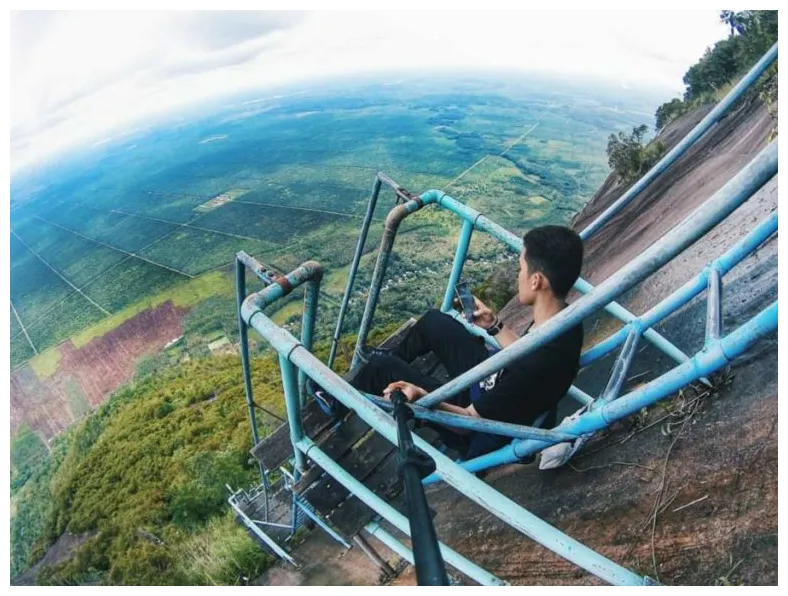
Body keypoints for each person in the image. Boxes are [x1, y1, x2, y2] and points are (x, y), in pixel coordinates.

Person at [314, 224, 585, 460]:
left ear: (536, 281)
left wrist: (420, 396)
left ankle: (335, 400)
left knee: (381, 367)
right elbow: (524, 354)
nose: (518, 275)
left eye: (521, 268)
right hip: (492, 383)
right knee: (435, 321)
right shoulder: (563, 321)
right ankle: (396, 360)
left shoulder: (539, 364)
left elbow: (466, 424)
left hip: (474, 424)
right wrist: (494, 325)